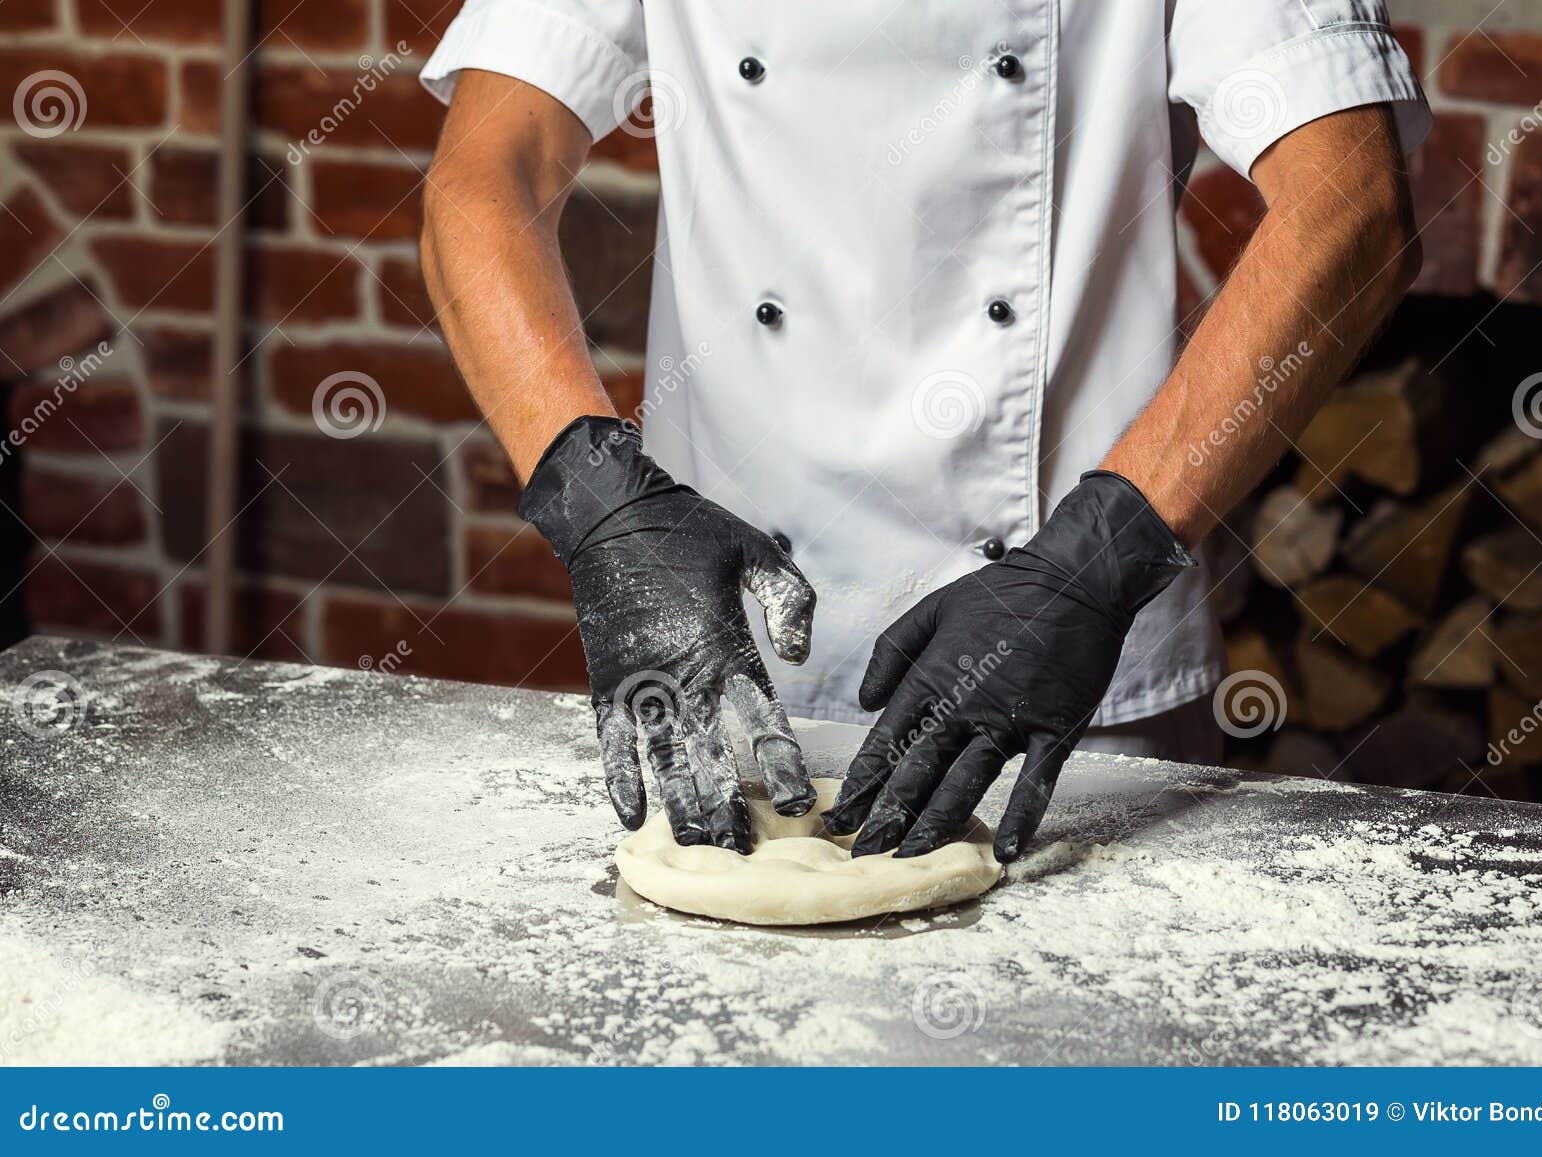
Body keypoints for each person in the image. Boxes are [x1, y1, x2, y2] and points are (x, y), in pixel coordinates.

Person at [418, 2, 1429, 863]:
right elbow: (482, 178)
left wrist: (1092, 560)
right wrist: (600, 499)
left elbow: (1351, 207)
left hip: (1065, 688)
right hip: (725, 664)